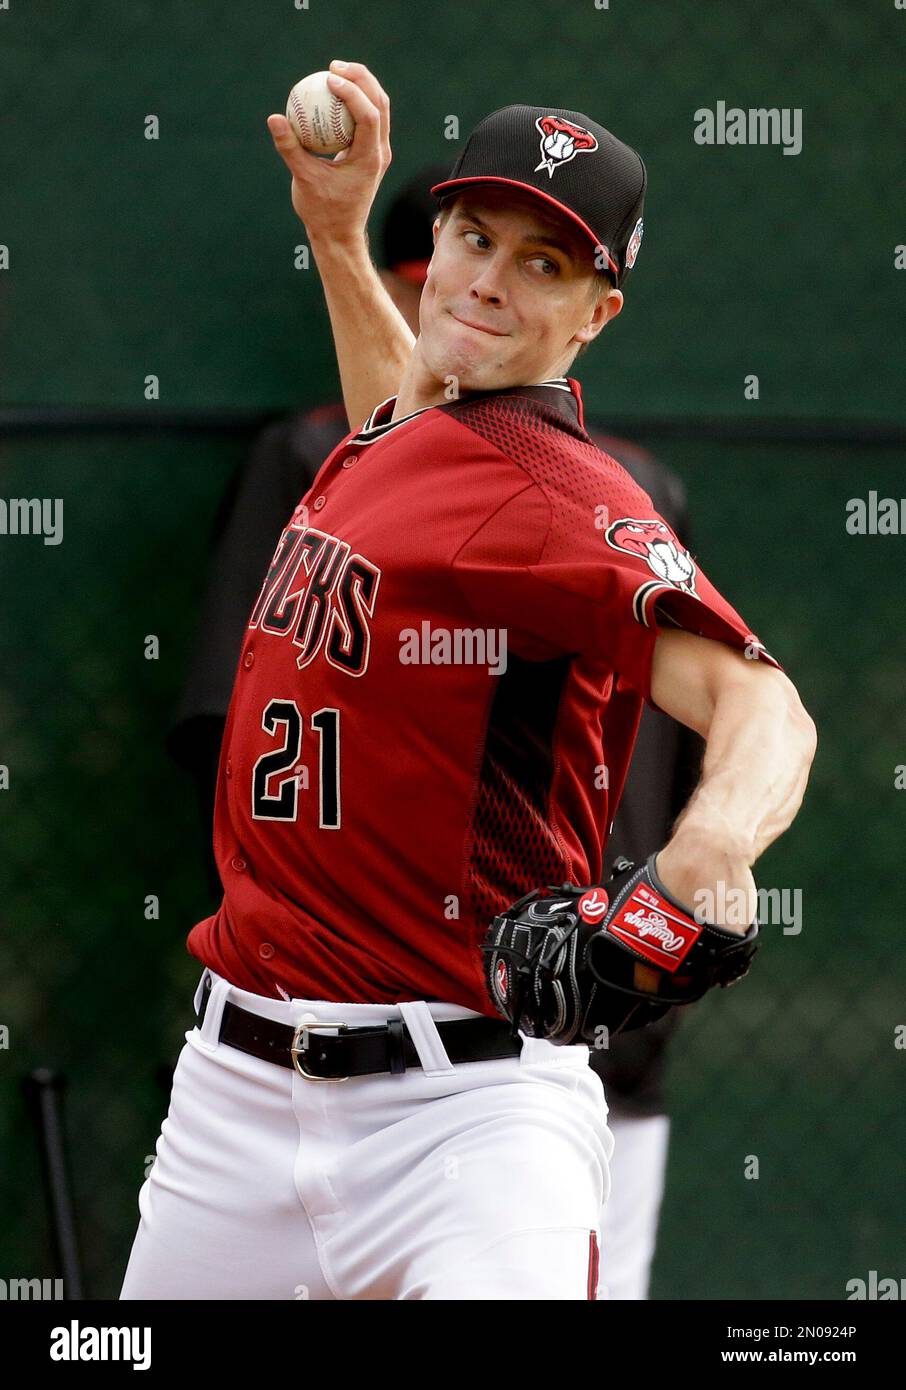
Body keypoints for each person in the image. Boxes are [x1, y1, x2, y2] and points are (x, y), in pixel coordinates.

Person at [120, 62, 816, 1301]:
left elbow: (767, 707)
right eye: (474, 236)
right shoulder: (408, 430)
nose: (491, 281)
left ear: (596, 314)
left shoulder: (565, 497)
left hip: (465, 1117)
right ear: (432, 243)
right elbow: (401, 412)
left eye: (544, 263)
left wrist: (702, 862)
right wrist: (340, 231)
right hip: (233, 1096)